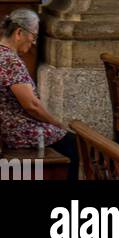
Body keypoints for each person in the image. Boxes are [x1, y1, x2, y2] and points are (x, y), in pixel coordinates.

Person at [0, 9, 77, 176]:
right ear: (19, 32)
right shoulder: (11, 61)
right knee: (74, 143)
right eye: (33, 36)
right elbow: (32, 105)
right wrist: (56, 123)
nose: (33, 42)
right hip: (19, 132)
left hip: (6, 128)